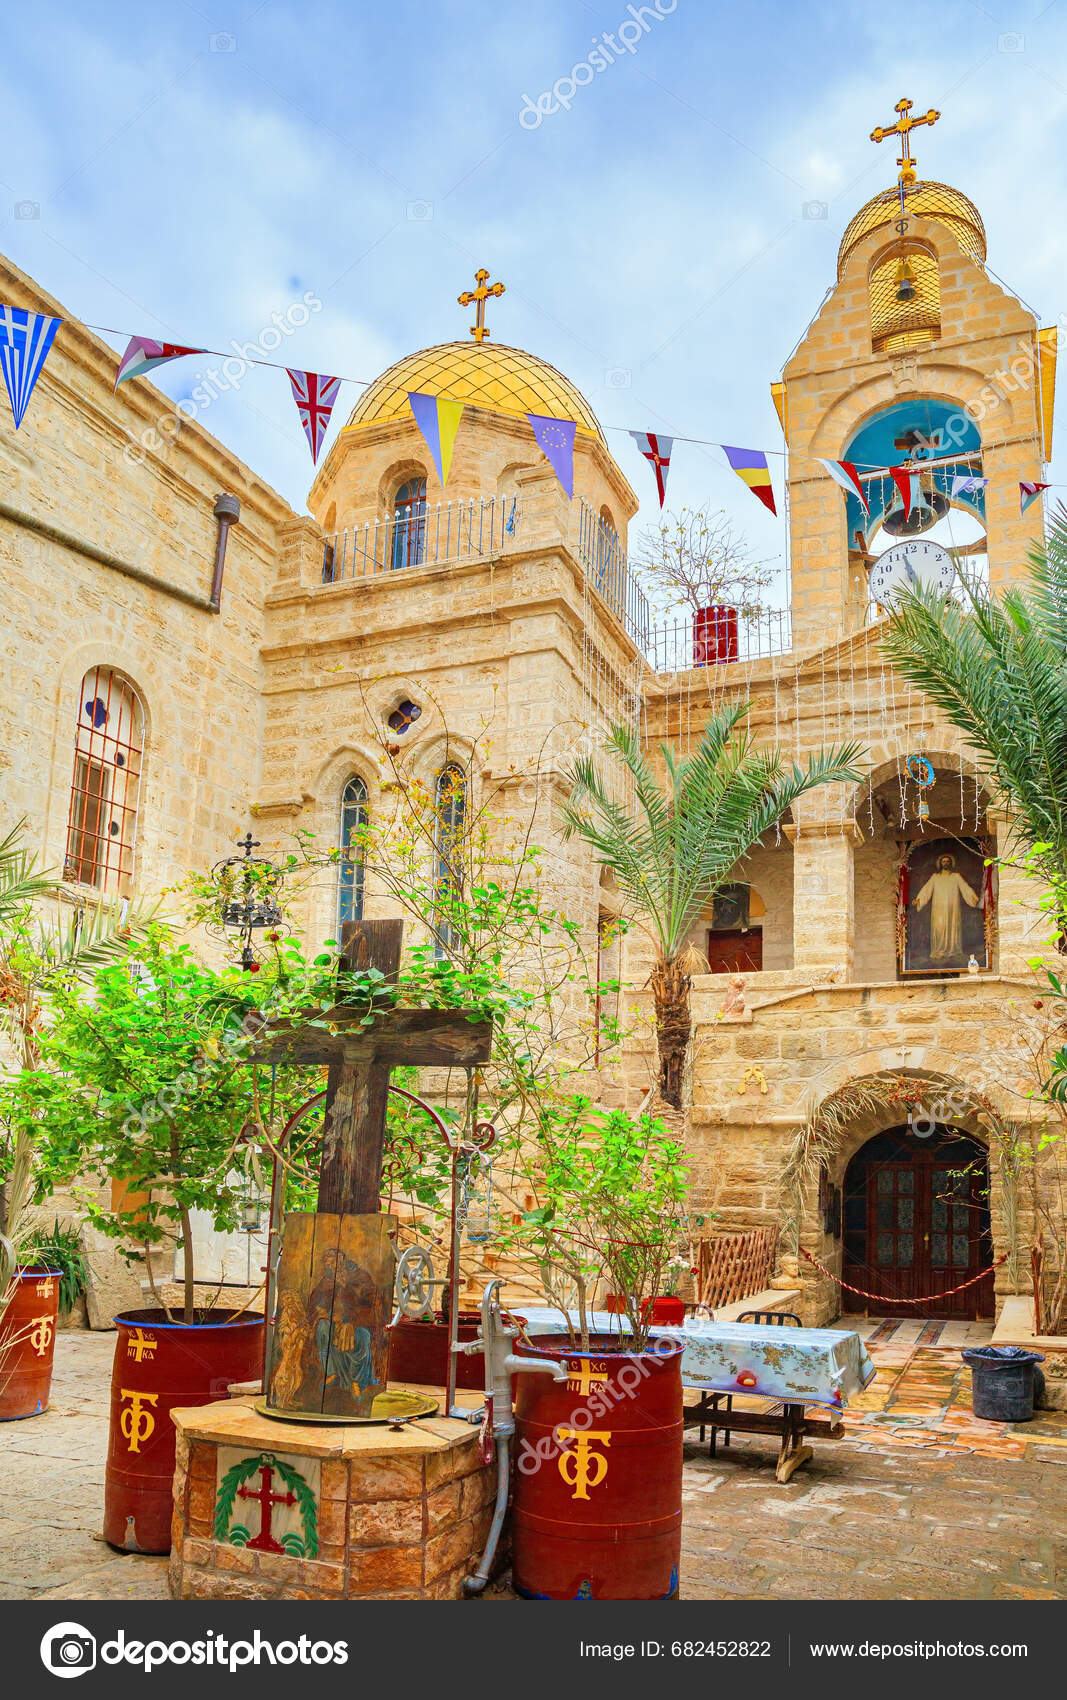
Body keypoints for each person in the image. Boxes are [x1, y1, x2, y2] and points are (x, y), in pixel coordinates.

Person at [911, 852, 980, 964]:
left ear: (951, 863)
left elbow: (965, 888)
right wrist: (919, 899)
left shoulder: (956, 877)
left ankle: (952, 950)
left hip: (953, 908)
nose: (946, 863)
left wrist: (973, 896)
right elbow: (926, 889)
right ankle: (939, 950)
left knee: (952, 926)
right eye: (944, 861)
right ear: (940, 863)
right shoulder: (935, 877)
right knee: (939, 927)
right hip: (938, 908)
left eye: (948, 861)